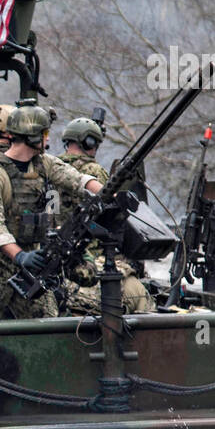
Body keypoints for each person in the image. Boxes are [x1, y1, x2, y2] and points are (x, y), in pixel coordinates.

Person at [0, 104, 104, 320]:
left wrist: (108, 193)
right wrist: (20, 255)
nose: (48, 140)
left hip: (34, 261)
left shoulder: (43, 164)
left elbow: (77, 179)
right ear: (32, 136)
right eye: (44, 134)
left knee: (47, 323)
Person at [54, 117, 153, 315]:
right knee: (141, 297)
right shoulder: (93, 172)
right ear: (89, 142)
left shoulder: (52, 167)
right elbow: (113, 212)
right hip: (90, 256)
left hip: (59, 250)